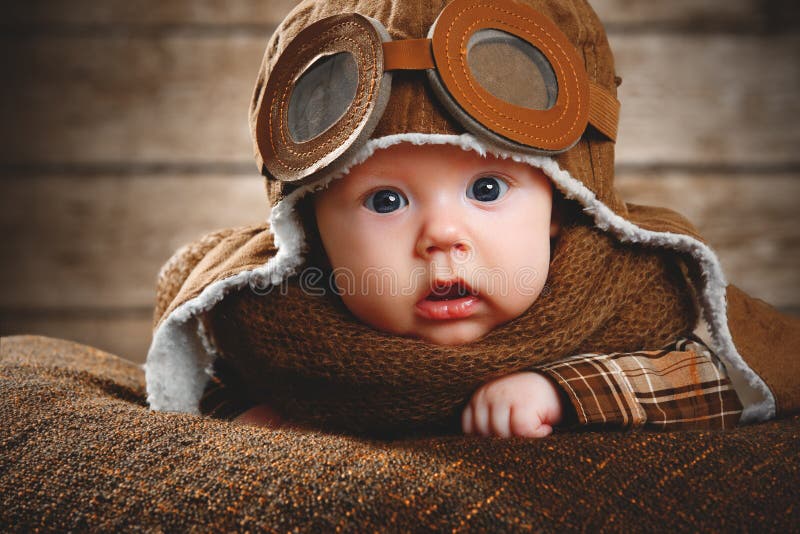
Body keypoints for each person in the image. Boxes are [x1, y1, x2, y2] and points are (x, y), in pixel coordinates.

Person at [145, 0, 798, 440]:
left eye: (487, 187)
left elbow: (728, 376)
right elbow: (210, 379)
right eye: (385, 201)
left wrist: (566, 390)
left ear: (560, 208)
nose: (443, 237)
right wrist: (251, 414)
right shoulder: (283, 322)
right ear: (312, 233)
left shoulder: (623, 293)